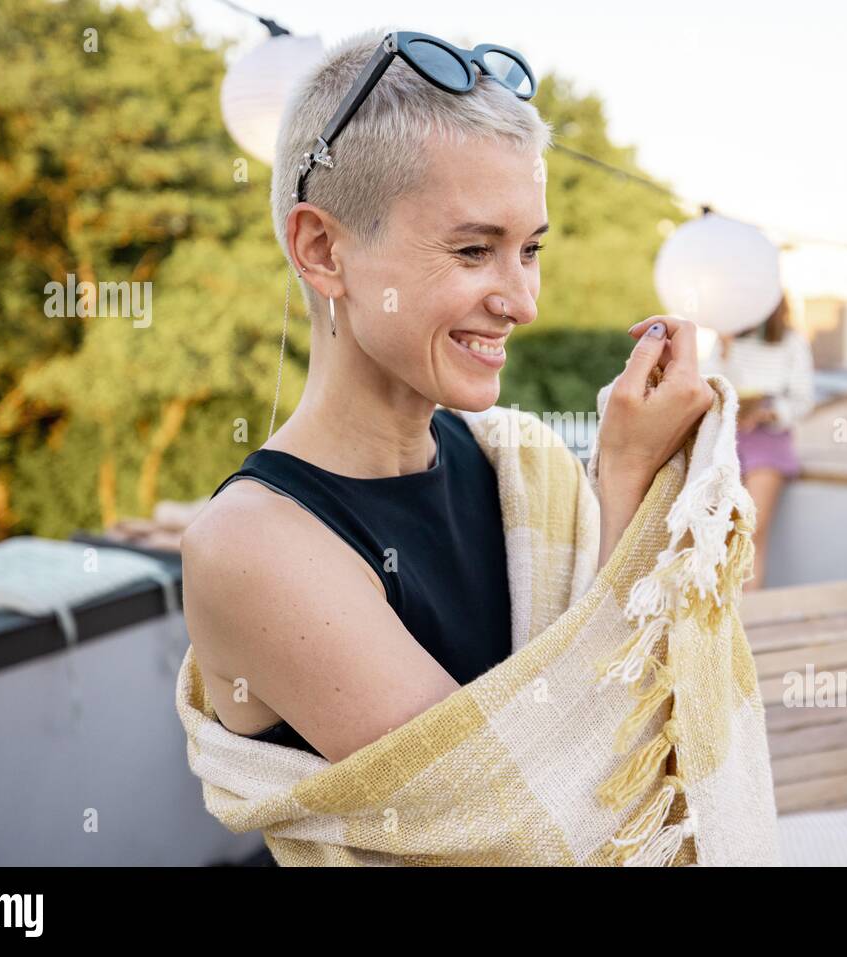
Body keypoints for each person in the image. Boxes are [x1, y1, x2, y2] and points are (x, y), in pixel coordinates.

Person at [179, 26, 714, 767]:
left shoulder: (520, 462)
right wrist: (626, 482)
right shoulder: (249, 544)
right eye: (472, 250)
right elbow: (517, 809)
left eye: (530, 250)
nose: (523, 303)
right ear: (322, 250)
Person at [701, 295, 814, 590]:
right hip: (727, 438)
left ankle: (750, 616)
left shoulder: (792, 342)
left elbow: (803, 398)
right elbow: (710, 386)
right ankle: (717, 617)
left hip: (769, 438)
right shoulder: (726, 340)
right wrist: (724, 351)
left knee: (750, 531)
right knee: (717, 531)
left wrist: (771, 412)